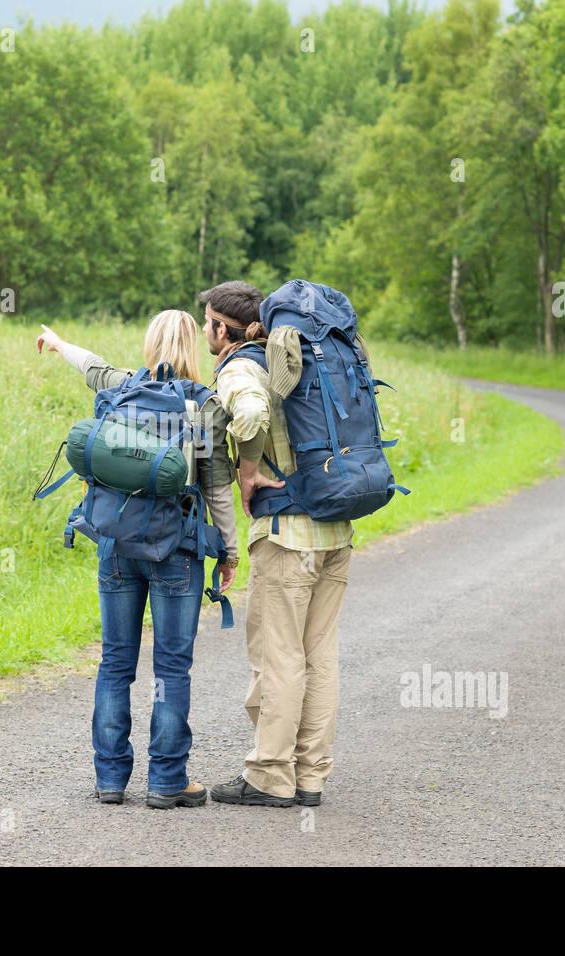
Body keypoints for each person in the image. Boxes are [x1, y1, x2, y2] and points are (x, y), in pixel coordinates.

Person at [36, 310, 239, 809]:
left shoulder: (123, 387)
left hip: (116, 547)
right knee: (172, 668)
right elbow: (216, 490)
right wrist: (229, 551)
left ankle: (110, 779)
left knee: (114, 663)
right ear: (194, 346)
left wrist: (58, 342)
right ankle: (167, 782)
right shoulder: (204, 406)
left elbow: (92, 366)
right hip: (178, 552)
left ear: (149, 344)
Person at [200, 280, 358, 808]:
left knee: (281, 656)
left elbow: (248, 415)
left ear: (224, 328)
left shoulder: (243, 366)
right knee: (321, 657)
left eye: (208, 321)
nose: (204, 329)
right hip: (335, 531)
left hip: (288, 537)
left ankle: (270, 775)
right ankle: (310, 777)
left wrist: (247, 472)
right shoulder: (301, 356)